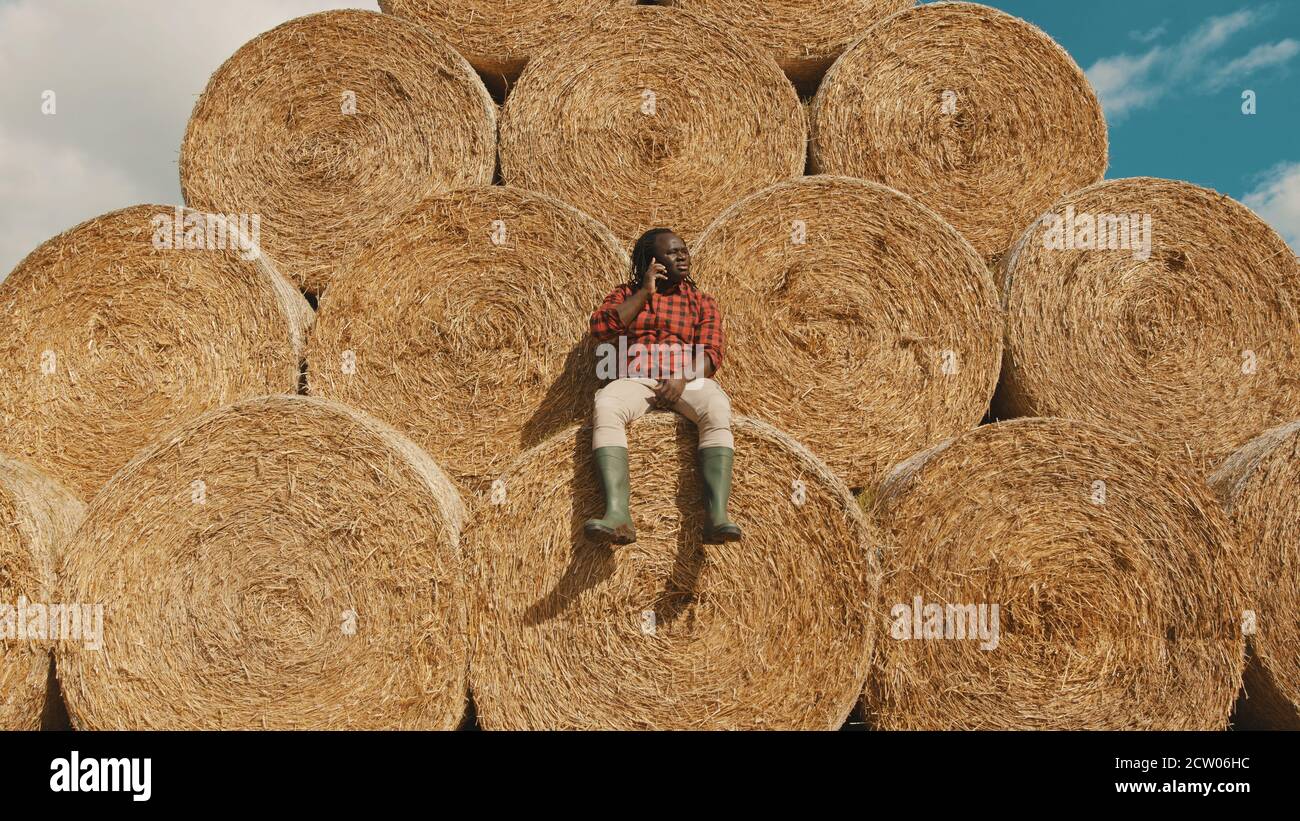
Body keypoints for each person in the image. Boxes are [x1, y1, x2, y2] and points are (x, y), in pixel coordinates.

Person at [584, 227, 742, 545]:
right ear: (652, 261)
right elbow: (600, 328)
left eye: (683, 250)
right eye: (672, 252)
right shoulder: (626, 294)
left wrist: (682, 378)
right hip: (637, 379)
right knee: (606, 405)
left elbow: (712, 352)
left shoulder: (701, 302)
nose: (682, 256)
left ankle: (717, 516)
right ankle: (618, 514)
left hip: (688, 379)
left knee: (716, 407)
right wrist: (644, 292)